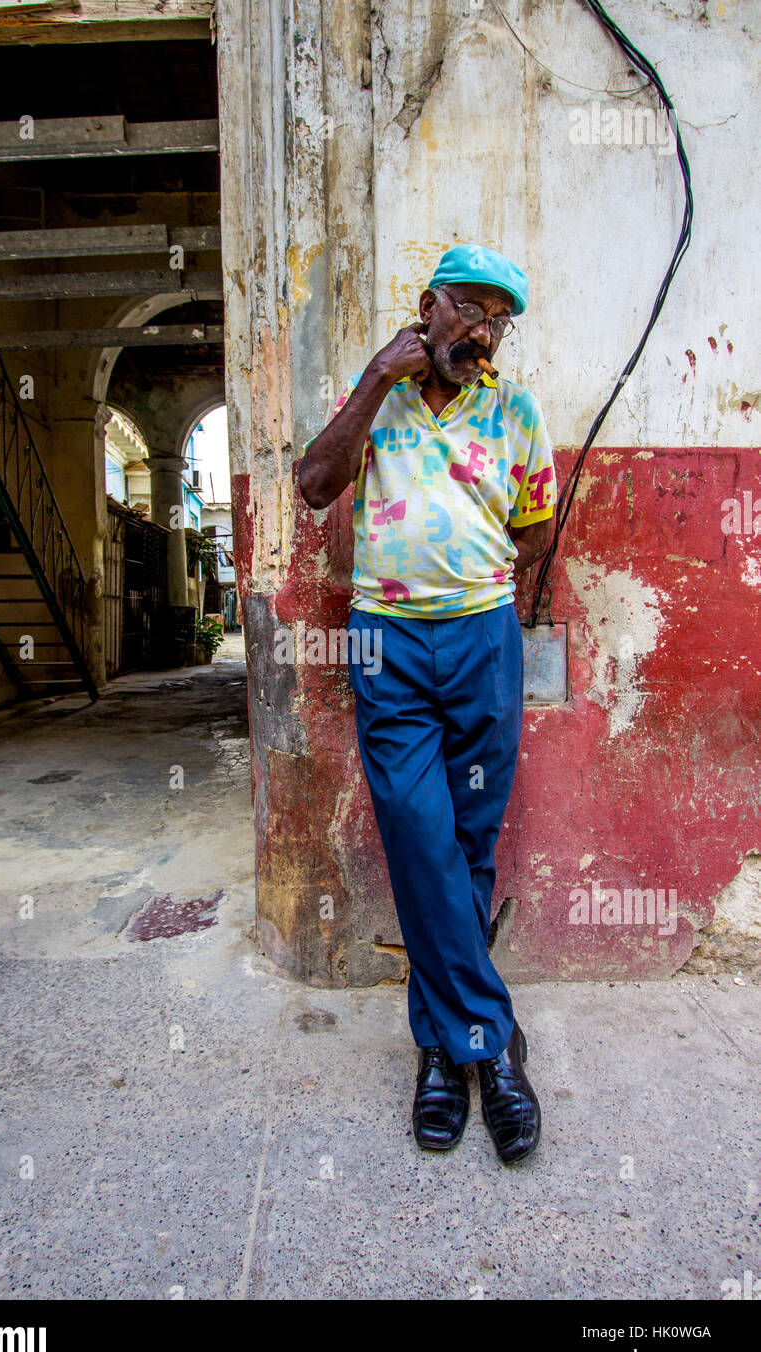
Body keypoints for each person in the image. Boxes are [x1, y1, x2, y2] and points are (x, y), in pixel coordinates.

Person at [298, 244, 557, 1161]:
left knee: (469, 844)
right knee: (418, 835)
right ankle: (494, 1041)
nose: (483, 331)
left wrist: (490, 606)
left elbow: (532, 527)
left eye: (498, 319)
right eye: (471, 310)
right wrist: (373, 377)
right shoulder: (380, 399)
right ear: (429, 307)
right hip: (388, 642)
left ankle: (440, 1055)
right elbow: (313, 484)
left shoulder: (517, 410)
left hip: (483, 640)